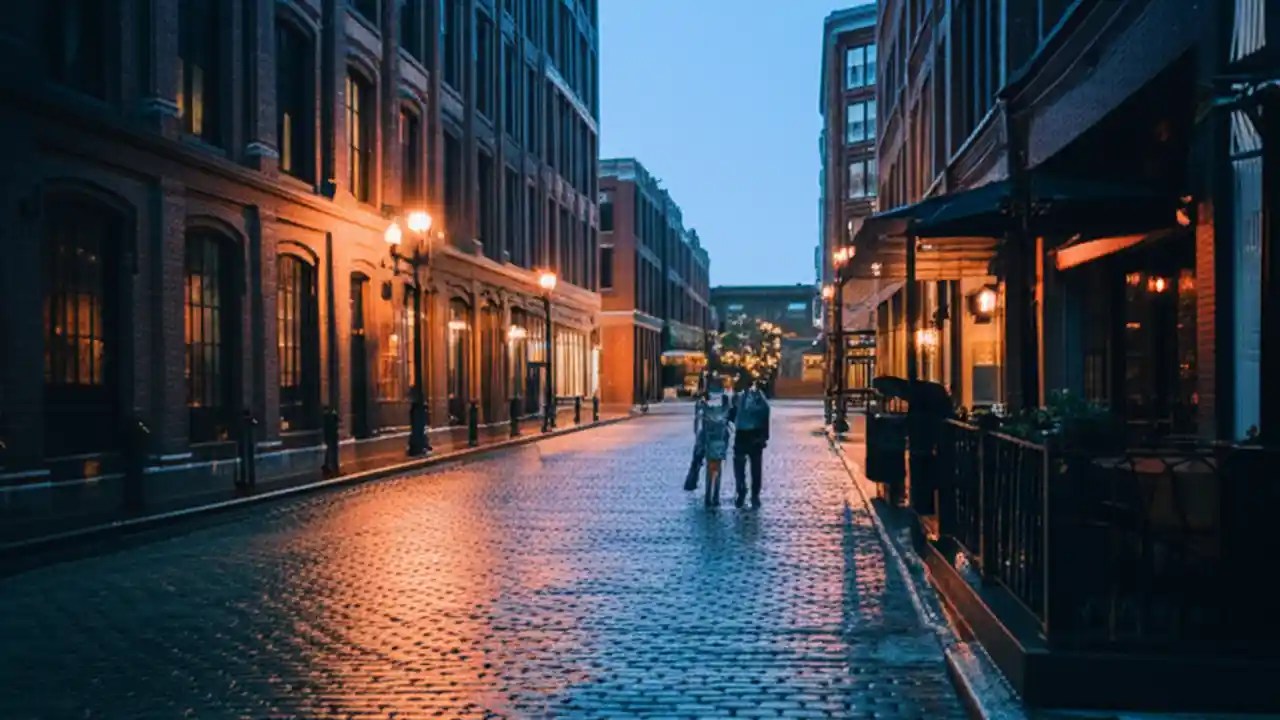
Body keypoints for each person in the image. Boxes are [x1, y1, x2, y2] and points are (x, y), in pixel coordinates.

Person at [729, 377, 771, 508]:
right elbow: (766, 413)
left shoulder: (755, 397)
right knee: (747, 466)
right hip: (747, 434)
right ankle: (745, 491)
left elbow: (765, 413)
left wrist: (764, 436)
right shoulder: (746, 397)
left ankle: (749, 493)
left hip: (750, 434)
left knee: (750, 466)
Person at [683, 392, 709, 491]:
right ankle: (691, 483)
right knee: (697, 461)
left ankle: (691, 483)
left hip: (701, 437)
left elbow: (696, 424)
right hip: (702, 437)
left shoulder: (699, 405)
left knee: (697, 461)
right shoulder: (701, 406)